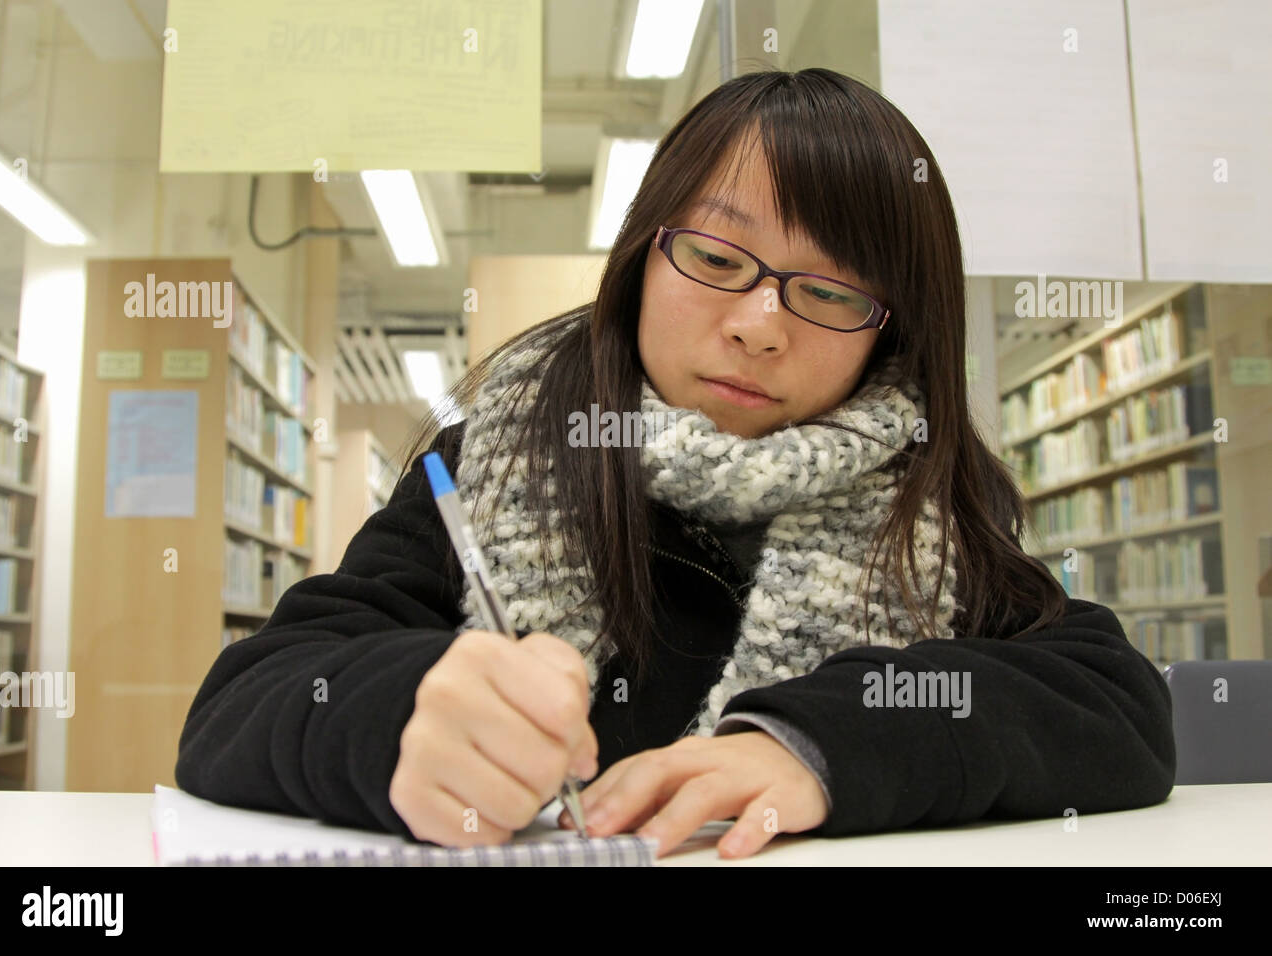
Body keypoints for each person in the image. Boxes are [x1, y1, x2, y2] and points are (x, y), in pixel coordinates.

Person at [176, 68, 1175, 860]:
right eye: (714, 256)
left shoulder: (921, 509)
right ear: (643, 257)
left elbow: (1112, 702)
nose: (757, 325)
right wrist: (404, 713)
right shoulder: (495, 461)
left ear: (891, 333)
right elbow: (248, 698)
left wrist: (814, 747)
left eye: (831, 290)